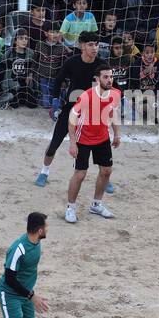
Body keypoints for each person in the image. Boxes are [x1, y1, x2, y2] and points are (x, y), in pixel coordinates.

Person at [36, 31, 101, 188]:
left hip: (91, 112)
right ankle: (44, 171)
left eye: (96, 44)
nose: (94, 48)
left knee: (98, 147)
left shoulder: (101, 64)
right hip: (70, 109)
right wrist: (55, 100)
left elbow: (111, 86)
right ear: (81, 46)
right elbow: (58, 81)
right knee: (55, 143)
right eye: (90, 44)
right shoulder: (72, 62)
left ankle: (105, 175)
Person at [65, 62, 122, 223]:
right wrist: (72, 142)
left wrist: (117, 134)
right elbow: (72, 118)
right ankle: (70, 207)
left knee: (106, 171)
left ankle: (96, 204)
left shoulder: (116, 94)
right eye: (106, 77)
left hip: (102, 138)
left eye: (111, 76)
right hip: (83, 139)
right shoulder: (86, 96)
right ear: (97, 79)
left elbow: (113, 114)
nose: (109, 80)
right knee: (80, 174)